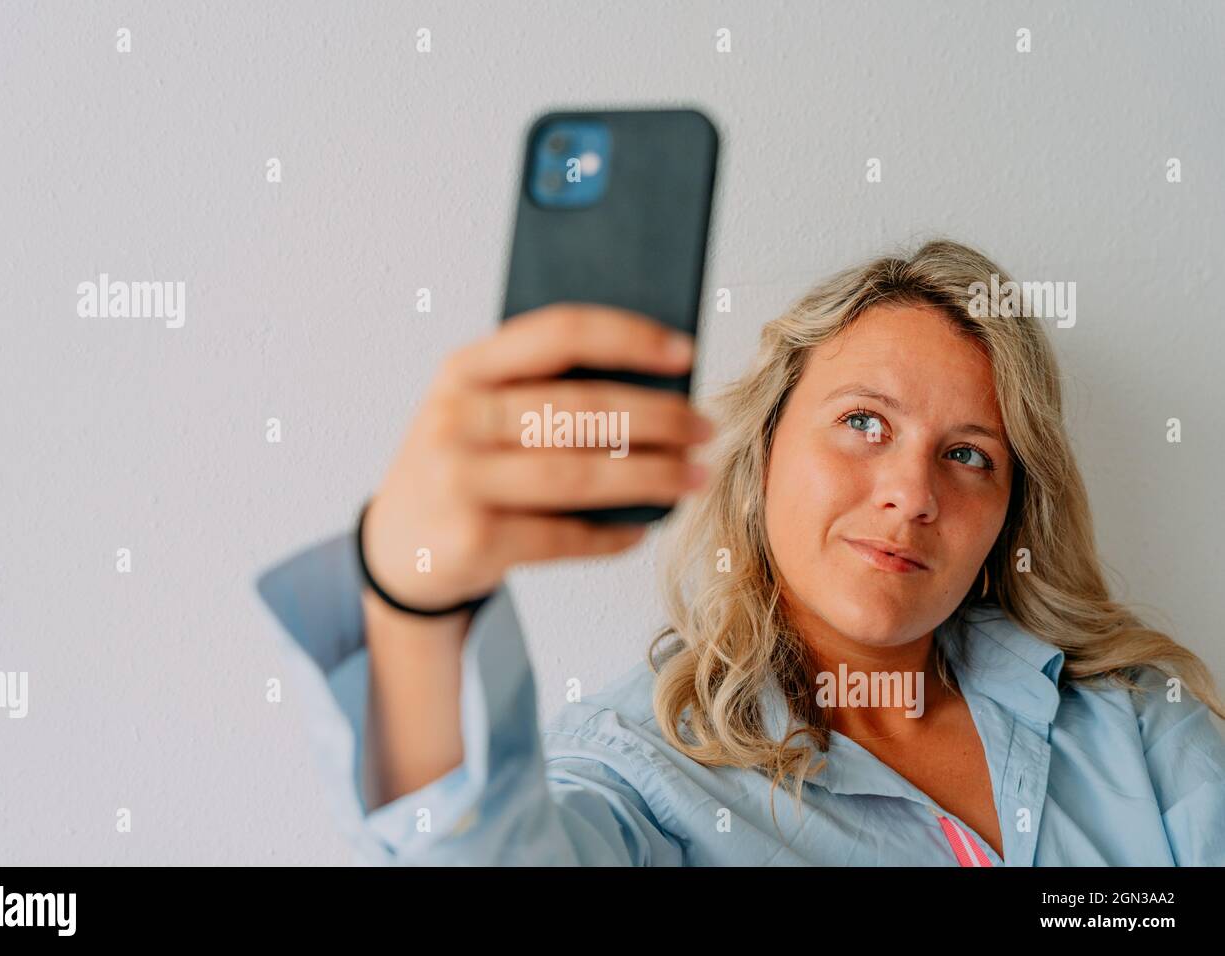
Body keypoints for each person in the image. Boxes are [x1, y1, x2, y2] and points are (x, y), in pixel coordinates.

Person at [256, 239, 1225, 865]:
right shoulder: (642, 769)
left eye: (967, 454)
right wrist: (414, 590)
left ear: (1007, 515)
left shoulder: (1133, 724)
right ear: (762, 459)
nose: (911, 492)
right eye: (861, 422)